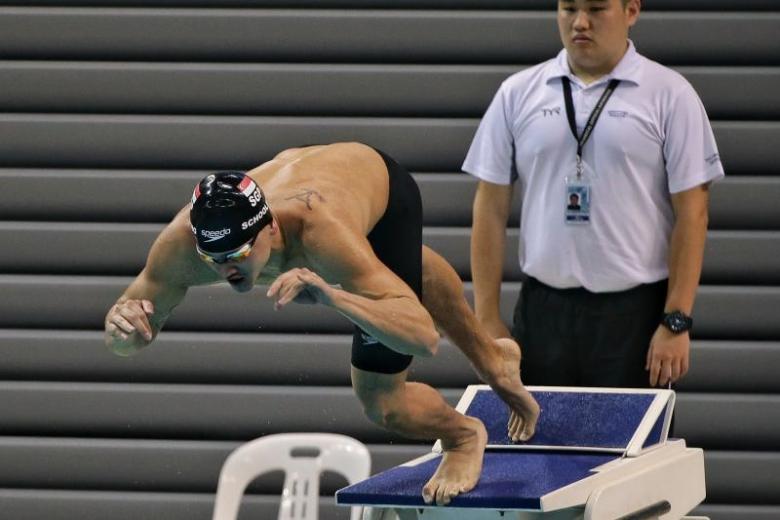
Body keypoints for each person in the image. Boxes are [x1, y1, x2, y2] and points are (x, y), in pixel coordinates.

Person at [104, 142, 540, 506]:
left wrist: (334, 296)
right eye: (212, 260)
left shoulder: (318, 232)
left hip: (382, 191)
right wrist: (119, 327)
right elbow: (128, 342)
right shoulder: (183, 244)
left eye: (237, 255)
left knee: (383, 402)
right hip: (322, 176)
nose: (226, 271)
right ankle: (495, 357)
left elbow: (423, 336)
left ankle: (464, 436)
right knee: (405, 272)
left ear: (270, 229)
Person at [464, 0, 724, 389]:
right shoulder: (518, 93)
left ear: (631, 11)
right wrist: (485, 318)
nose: (580, 22)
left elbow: (694, 214)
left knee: (635, 449)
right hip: (542, 313)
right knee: (536, 441)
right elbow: (490, 207)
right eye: (568, 9)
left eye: (597, 9)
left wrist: (676, 319)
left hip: (633, 315)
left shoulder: (670, 94)